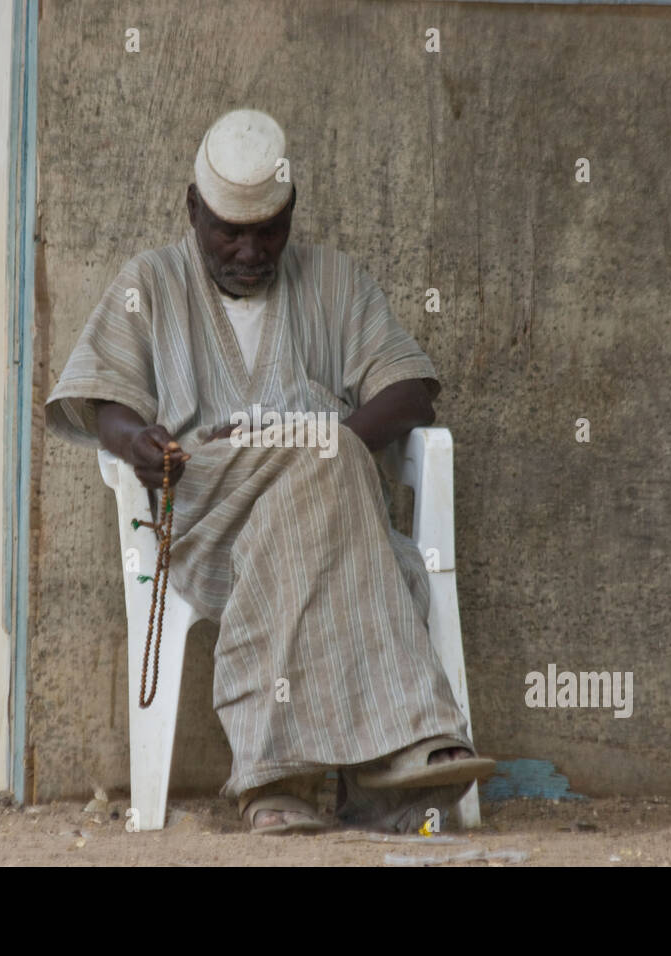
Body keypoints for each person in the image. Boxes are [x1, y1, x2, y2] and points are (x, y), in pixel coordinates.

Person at [46, 108, 492, 834]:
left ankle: (275, 781)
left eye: (269, 230)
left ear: (291, 212)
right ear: (193, 209)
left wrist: (328, 447)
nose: (251, 250)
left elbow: (410, 389)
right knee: (328, 464)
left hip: (326, 519)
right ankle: (405, 743)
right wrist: (135, 442)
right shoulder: (150, 282)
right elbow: (106, 403)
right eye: (229, 231)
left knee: (325, 465)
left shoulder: (337, 281)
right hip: (208, 513)